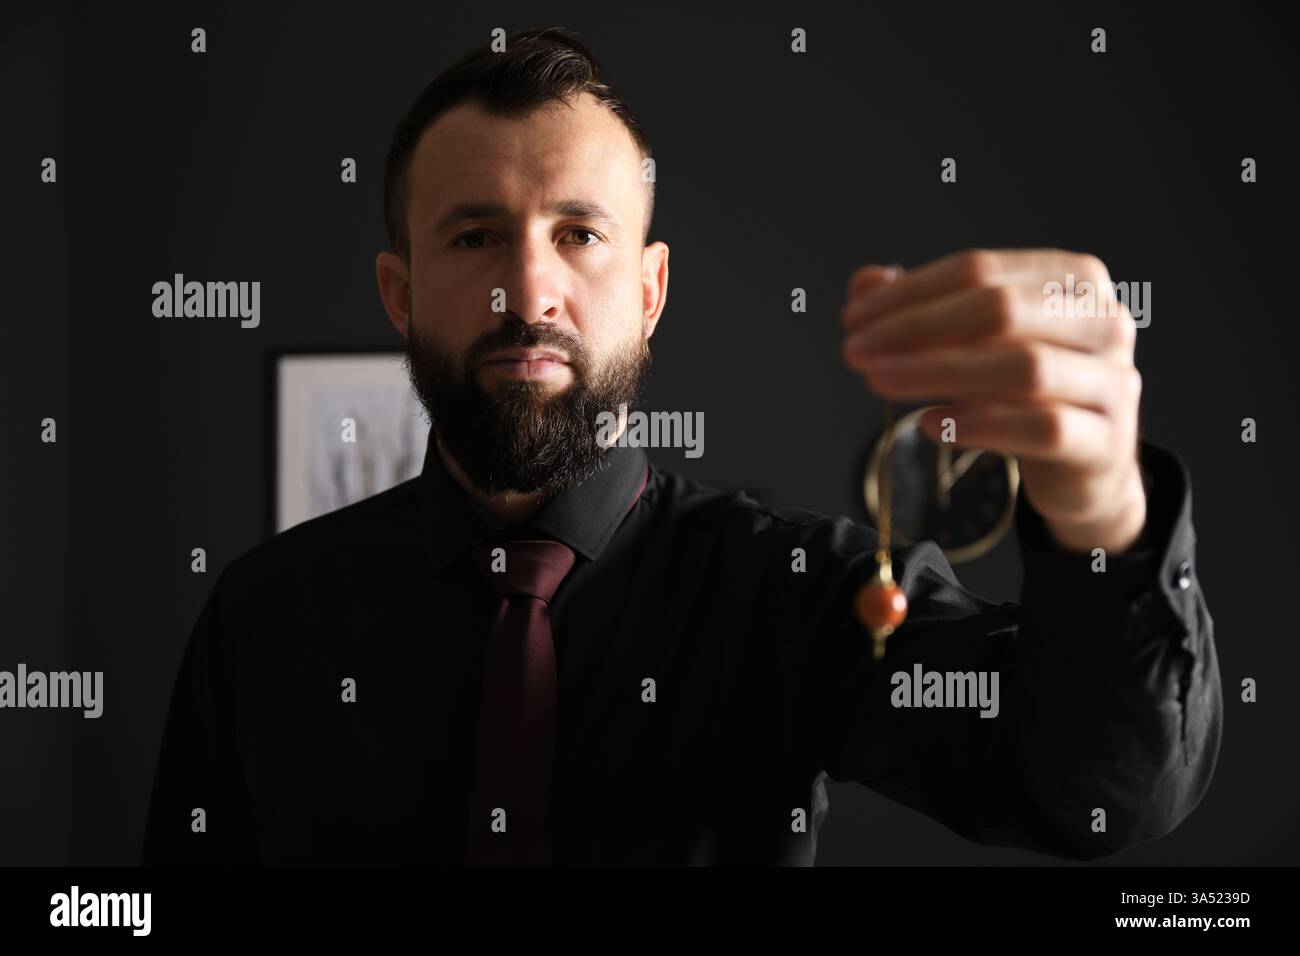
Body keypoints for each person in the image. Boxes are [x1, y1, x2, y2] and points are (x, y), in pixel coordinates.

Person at [141, 27, 1220, 866]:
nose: (529, 289)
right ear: (400, 293)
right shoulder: (263, 618)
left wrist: (1102, 517)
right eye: (475, 237)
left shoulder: (802, 596)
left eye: (578, 232)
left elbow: (1098, 789)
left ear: (649, 290)